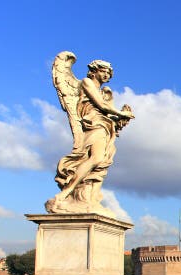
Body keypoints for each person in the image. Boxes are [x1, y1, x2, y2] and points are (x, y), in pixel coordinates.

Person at [49, 56, 134, 214]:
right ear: (94, 71)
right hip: (94, 124)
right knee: (96, 158)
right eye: (104, 71)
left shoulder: (103, 92)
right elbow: (101, 106)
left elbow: (108, 114)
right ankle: (65, 193)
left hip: (105, 126)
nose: (107, 75)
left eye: (109, 73)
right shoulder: (86, 83)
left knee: (102, 163)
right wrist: (121, 113)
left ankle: (91, 199)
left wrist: (121, 119)